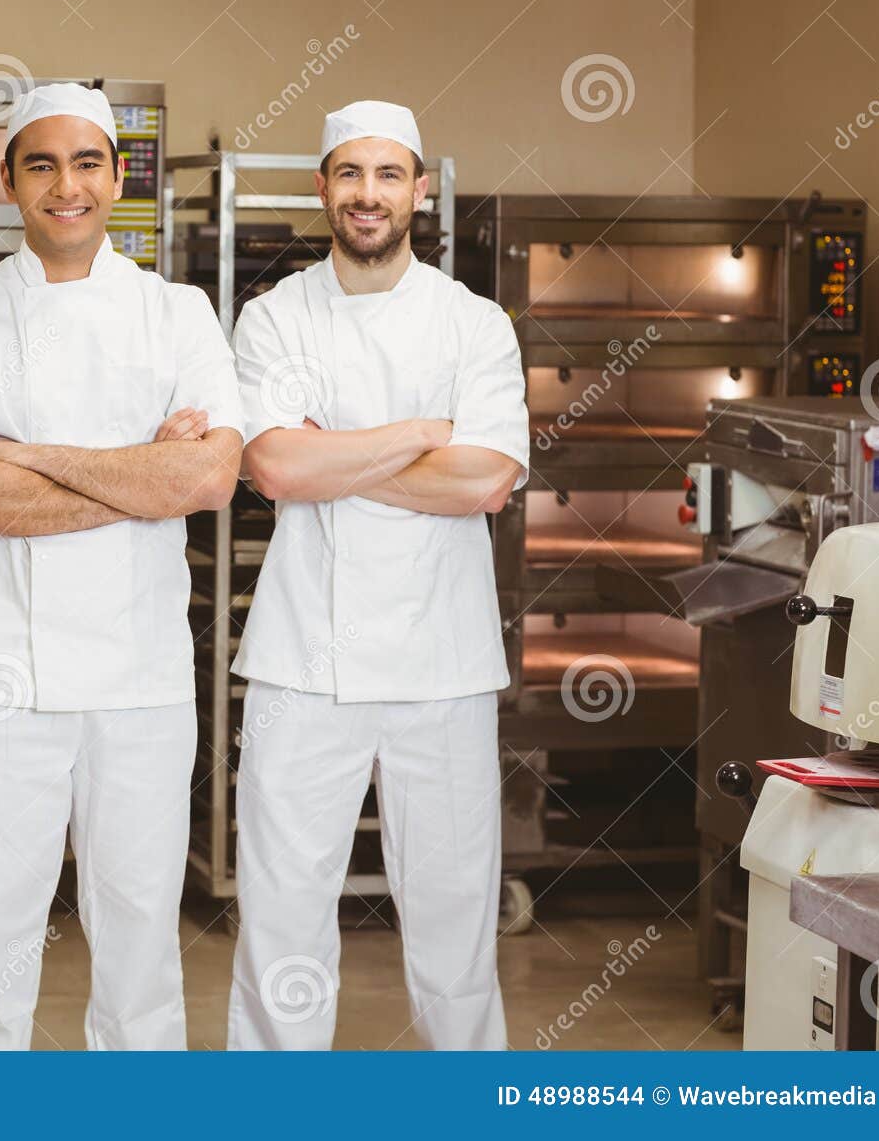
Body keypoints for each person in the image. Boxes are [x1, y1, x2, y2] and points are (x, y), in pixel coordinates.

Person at [0, 82, 243, 1050]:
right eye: (43, 165)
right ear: (8, 179)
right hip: (0, 672)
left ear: (117, 176)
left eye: (87, 162)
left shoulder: (177, 311)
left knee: (141, 939)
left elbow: (210, 476)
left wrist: (25, 454)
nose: (67, 186)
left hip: (140, 673)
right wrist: (142, 473)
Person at [225, 100, 529, 1050]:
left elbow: (485, 482)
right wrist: (421, 435)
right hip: (302, 659)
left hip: (443, 661)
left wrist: (337, 455)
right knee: (282, 909)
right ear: (323, 188)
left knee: (454, 915)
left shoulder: (473, 324)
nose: (369, 194)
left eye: (389, 174)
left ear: (420, 190)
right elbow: (274, 467)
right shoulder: (274, 317)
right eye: (350, 173)